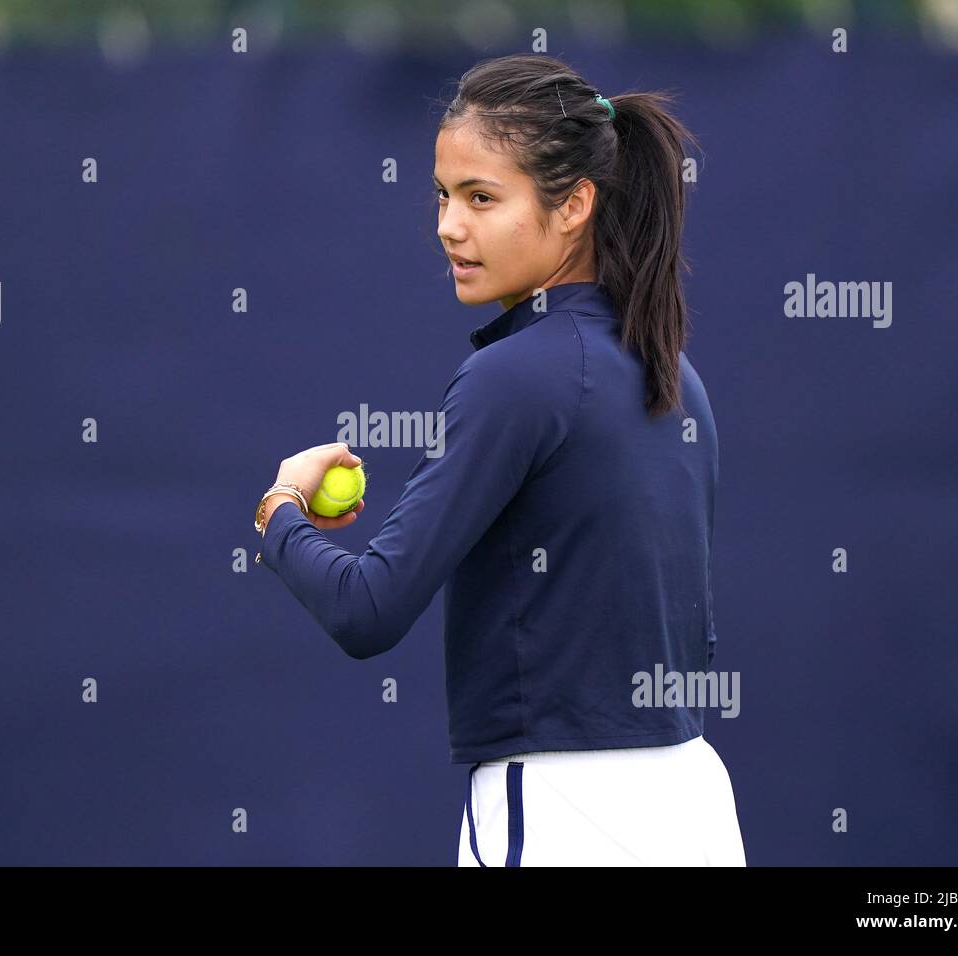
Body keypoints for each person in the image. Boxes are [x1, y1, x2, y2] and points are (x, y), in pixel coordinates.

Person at [252, 53, 745, 866]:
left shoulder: (514, 376)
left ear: (574, 204)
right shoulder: (672, 371)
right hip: (693, 802)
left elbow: (367, 609)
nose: (449, 224)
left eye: (482, 197)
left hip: (559, 811)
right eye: (444, 195)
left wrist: (279, 513)